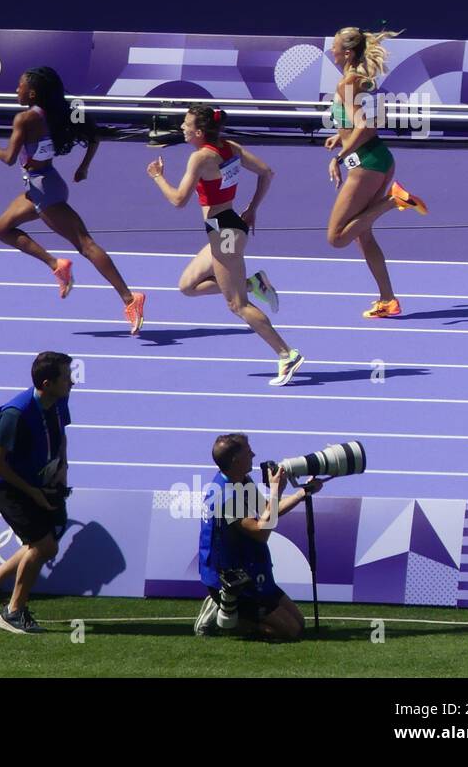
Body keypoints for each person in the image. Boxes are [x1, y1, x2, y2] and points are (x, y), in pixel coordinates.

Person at [146, 105, 303, 386]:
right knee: (187, 286)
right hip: (226, 225)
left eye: (185, 124)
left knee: (237, 304)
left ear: (198, 132)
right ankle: (253, 283)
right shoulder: (231, 148)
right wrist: (252, 208)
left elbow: (178, 201)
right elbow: (267, 172)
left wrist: (157, 177)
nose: (182, 127)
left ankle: (286, 353)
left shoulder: (201, 158)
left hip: (224, 232)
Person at [0, 66, 146, 335]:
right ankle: (56, 265)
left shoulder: (24, 119)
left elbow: (9, 159)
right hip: (44, 184)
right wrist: (83, 167)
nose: (16, 90)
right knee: (1, 230)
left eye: (19, 86)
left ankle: (130, 299)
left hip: (45, 192)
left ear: (33, 93)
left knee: (86, 245)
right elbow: (94, 137)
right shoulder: (60, 112)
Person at [324, 27, 428, 319]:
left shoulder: (348, 83)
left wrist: (340, 156)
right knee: (363, 234)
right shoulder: (358, 80)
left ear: (346, 52)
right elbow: (358, 122)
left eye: (333, 46)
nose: (330, 50)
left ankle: (394, 201)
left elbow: (366, 127)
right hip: (377, 159)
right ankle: (388, 300)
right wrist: (340, 138)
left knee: (337, 238)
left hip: (366, 163)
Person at [0, 351, 73, 634]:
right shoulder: (16, 414)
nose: (72, 382)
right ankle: (13, 612)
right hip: (4, 483)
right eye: (67, 377)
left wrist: (62, 467)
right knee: (44, 545)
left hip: (36, 477)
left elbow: (61, 435)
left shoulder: (59, 400)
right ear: (47, 383)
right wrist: (32, 493)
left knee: (45, 540)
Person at [193, 433, 321, 641]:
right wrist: (275, 491)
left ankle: (232, 613)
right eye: (248, 450)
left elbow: (268, 511)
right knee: (290, 631)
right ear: (236, 459)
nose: (253, 453)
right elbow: (261, 532)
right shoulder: (225, 498)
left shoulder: (241, 480)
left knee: (299, 622)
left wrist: (302, 493)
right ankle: (223, 613)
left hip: (248, 570)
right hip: (230, 581)